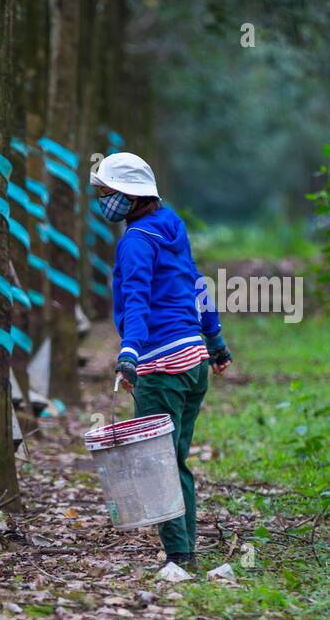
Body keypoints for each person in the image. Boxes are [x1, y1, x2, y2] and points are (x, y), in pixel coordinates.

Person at [91, 152, 232, 578]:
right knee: (177, 459)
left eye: (106, 193)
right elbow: (198, 282)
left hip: (162, 365)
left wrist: (129, 355)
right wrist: (216, 341)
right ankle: (184, 549)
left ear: (130, 198)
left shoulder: (135, 241)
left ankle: (179, 559)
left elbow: (137, 300)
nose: (102, 201)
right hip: (194, 364)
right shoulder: (171, 225)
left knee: (160, 465)